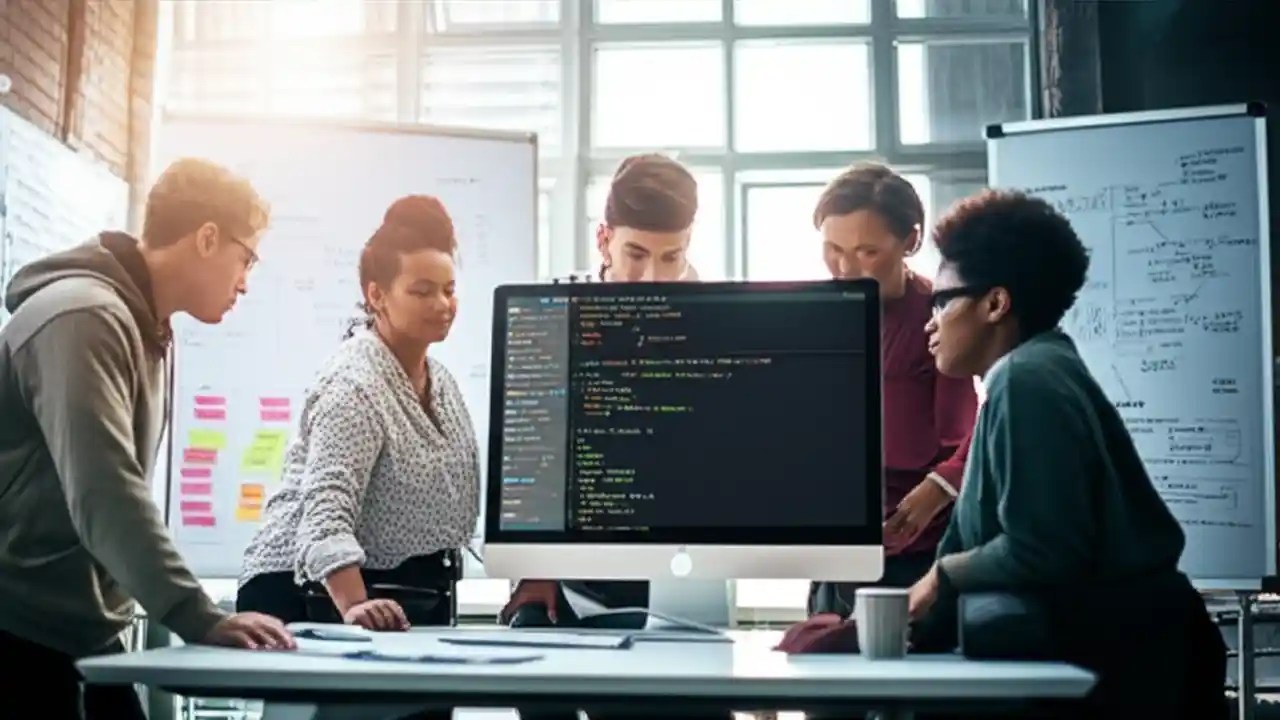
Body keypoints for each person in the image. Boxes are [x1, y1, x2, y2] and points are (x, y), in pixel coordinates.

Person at [781, 189, 1227, 719]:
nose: (931, 321)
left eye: (943, 302)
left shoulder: (1027, 381)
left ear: (995, 304)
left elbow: (1043, 547)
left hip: (1129, 665)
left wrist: (938, 579)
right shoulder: (1032, 370)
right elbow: (981, 538)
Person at [0, 157, 296, 720]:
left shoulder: (145, 327)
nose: (245, 283)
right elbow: (105, 491)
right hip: (19, 628)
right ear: (208, 238)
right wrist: (198, 615)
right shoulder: (84, 318)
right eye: (246, 258)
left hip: (75, 630)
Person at [503, 153, 725, 720]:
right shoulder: (553, 308)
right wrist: (538, 568)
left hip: (685, 568)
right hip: (575, 579)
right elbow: (531, 451)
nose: (654, 277)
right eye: (636, 254)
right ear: (604, 239)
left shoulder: (718, 316)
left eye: (671, 257)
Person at [237, 195, 479, 647]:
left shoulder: (439, 381)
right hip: (310, 591)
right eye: (422, 291)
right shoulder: (355, 385)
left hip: (397, 590)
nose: (442, 304)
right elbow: (324, 512)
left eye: (448, 289)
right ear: (376, 295)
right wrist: (353, 605)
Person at [807, 163, 978, 618]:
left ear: (910, 241)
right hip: (835, 543)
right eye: (832, 248)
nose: (845, 268)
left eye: (867, 251)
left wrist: (938, 487)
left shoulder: (941, 320)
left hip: (917, 543)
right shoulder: (814, 316)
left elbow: (976, 434)